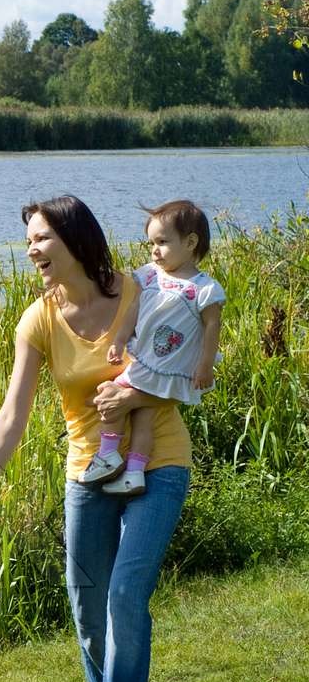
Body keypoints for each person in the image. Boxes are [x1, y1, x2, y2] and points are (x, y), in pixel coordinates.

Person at [0, 195, 194, 682]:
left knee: (123, 597)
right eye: (29, 240)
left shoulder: (141, 291)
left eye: (41, 238)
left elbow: (186, 367)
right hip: (87, 470)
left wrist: (134, 397)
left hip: (159, 459)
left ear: (74, 239)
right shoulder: (36, 321)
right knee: (88, 613)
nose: (31, 250)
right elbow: (12, 415)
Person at [79, 199, 225, 496]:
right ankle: (134, 473)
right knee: (143, 415)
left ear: (190, 242)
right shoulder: (150, 275)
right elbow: (134, 308)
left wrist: (205, 364)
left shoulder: (204, 288)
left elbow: (212, 327)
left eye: (162, 242)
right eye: (151, 243)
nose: (154, 250)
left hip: (169, 366)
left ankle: (108, 454)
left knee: (109, 393)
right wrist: (119, 340)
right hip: (145, 359)